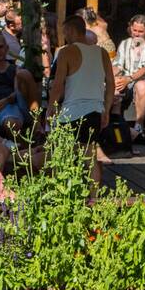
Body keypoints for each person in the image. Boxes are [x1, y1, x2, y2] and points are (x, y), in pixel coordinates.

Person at [48, 15, 114, 184]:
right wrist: (106, 109)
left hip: (72, 112)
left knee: (61, 155)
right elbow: (111, 85)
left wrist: (51, 107)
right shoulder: (102, 53)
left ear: (71, 30)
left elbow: (57, 85)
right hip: (95, 111)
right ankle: (93, 198)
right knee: (90, 157)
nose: (65, 37)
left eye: (65, 33)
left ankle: (62, 194)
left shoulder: (66, 52)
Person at [0, 32, 37, 137]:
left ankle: (37, 122)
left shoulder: (15, 68)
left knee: (25, 74)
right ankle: (21, 148)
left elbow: (19, 92)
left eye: (1, 47)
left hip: (17, 104)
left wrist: (8, 99)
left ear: (7, 48)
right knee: (12, 123)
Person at [112, 14, 145, 143]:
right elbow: (118, 64)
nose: (137, 34)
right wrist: (112, 73)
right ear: (130, 28)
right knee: (115, 81)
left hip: (144, 80)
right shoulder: (124, 43)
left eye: (140, 31)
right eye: (134, 30)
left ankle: (139, 126)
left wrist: (129, 79)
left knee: (141, 85)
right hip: (126, 79)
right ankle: (114, 124)